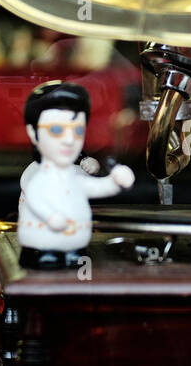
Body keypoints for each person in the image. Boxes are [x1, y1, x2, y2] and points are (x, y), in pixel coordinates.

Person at [17, 80, 134, 268]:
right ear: (33, 133)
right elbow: (35, 197)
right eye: (56, 130)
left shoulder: (74, 174)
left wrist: (115, 182)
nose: (70, 140)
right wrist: (50, 216)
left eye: (77, 130)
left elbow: (95, 187)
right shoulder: (38, 175)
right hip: (43, 244)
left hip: (75, 246)